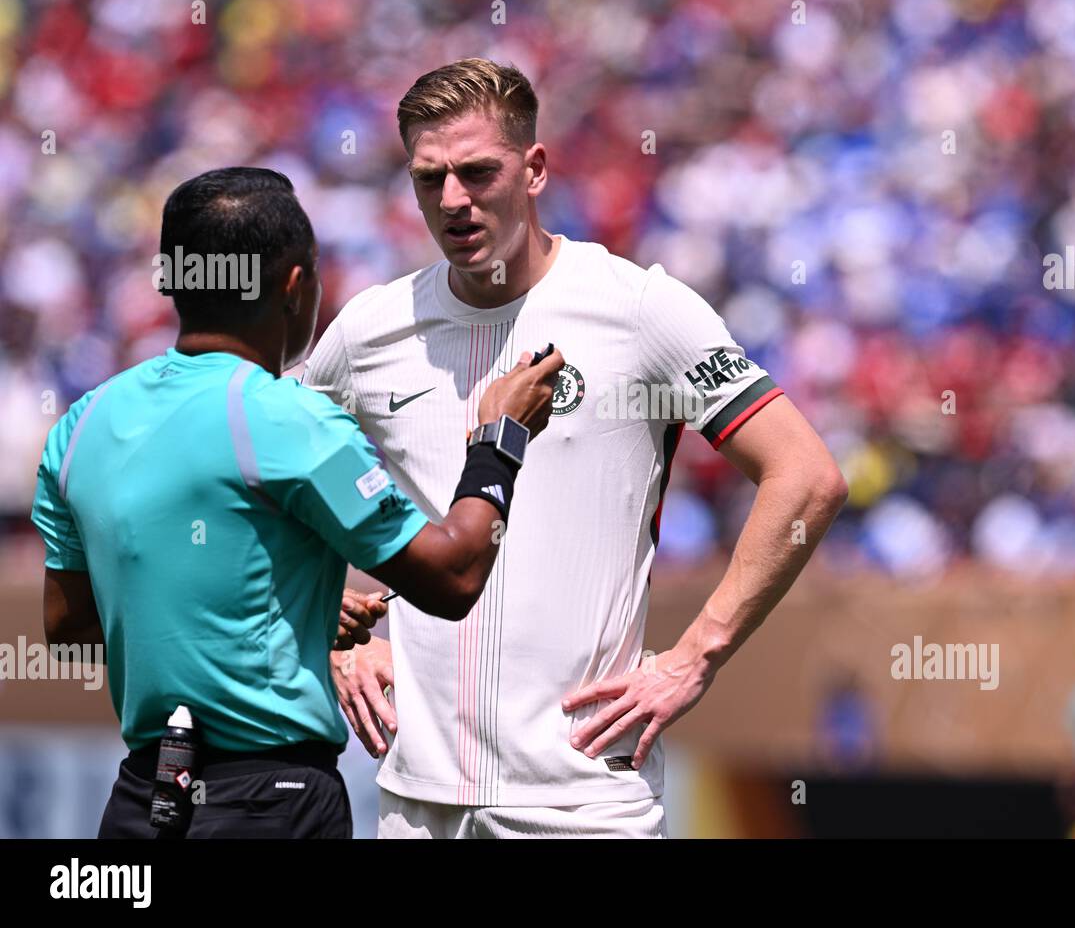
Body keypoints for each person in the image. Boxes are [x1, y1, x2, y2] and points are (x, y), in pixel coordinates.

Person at [308, 58, 847, 838]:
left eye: (477, 172)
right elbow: (265, 481)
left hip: (584, 803)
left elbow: (806, 476)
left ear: (534, 169)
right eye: (430, 179)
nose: (454, 200)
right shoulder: (371, 329)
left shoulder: (638, 309)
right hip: (417, 804)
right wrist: (328, 633)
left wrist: (695, 655)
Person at [30, 166, 562, 838]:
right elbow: (453, 574)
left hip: (143, 799)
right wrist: (500, 438)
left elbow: (70, 625)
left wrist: (273, 614)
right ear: (295, 286)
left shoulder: (81, 424)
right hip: (271, 802)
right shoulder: (291, 421)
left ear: (172, 282)